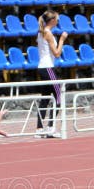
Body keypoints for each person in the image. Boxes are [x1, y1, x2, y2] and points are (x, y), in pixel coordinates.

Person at [35, 10, 68, 138]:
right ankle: (50, 127)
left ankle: (39, 128)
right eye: (57, 19)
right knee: (59, 95)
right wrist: (62, 40)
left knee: (45, 98)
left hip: (43, 67)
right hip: (48, 67)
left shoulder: (41, 32)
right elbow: (57, 53)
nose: (58, 21)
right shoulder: (48, 34)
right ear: (52, 20)